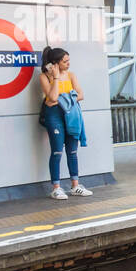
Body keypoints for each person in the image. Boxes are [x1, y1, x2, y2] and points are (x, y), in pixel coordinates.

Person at [37, 46, 91, 200]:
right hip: (54, 116)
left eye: (69, 61)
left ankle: (75, 185)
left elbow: (81, 95)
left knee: (73, 152)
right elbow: (52, 97)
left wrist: (64, 99)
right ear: (55, 63)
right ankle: (56, 187)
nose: (68, 64)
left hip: (71, 115)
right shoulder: (45, 77)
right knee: (57, 151)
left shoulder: (71, 75)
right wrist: (56, 78)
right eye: (65, 61)